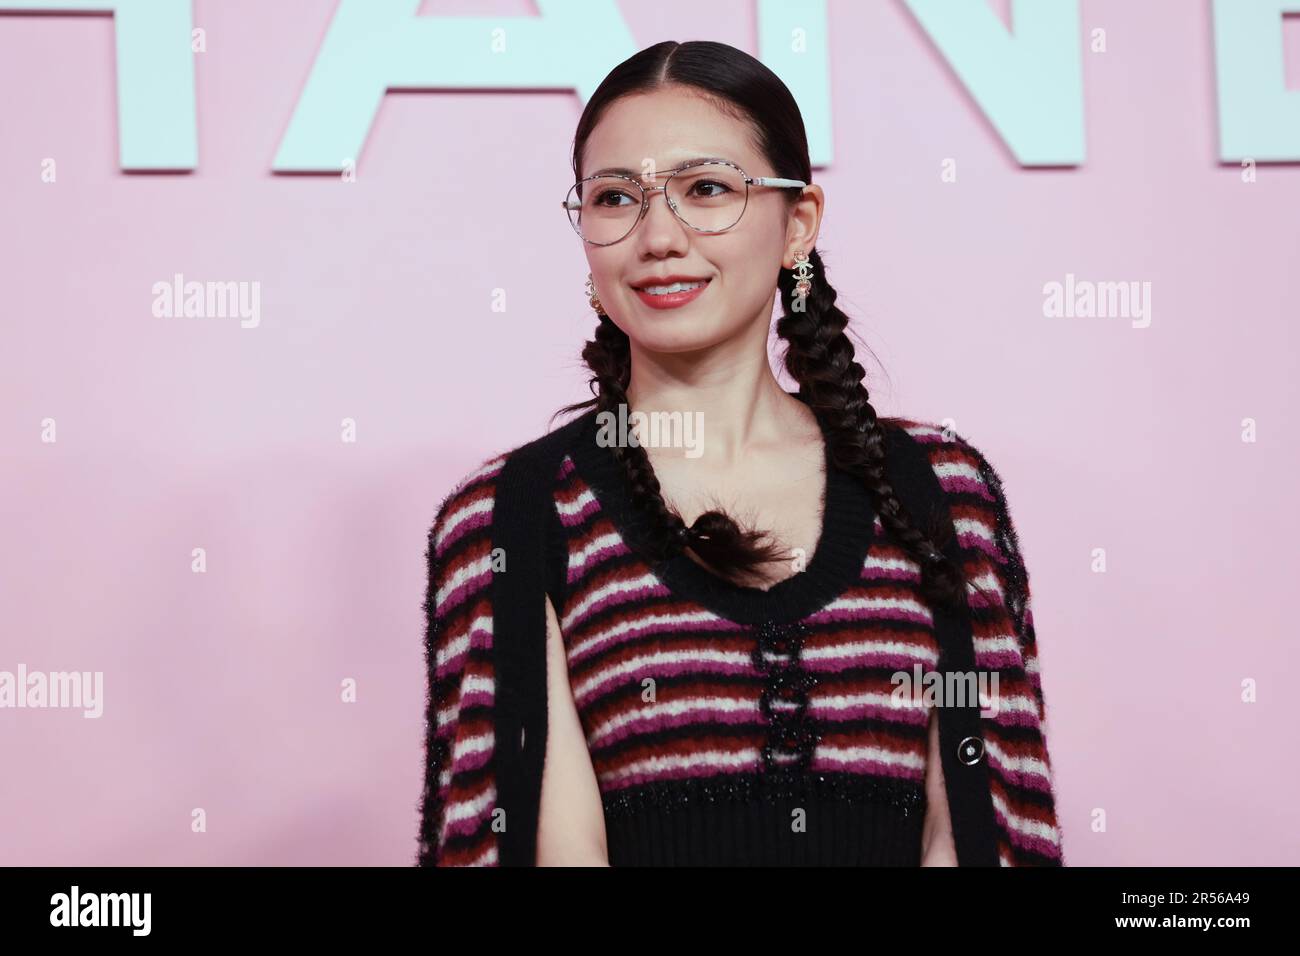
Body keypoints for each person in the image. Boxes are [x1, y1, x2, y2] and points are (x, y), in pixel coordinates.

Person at [419, 40, 1064, 867]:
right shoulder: (514, 514)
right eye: (616, 198)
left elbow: (981, 830)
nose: (659, 237)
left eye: (707, 189)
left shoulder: (940, 491)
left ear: (799, 225)